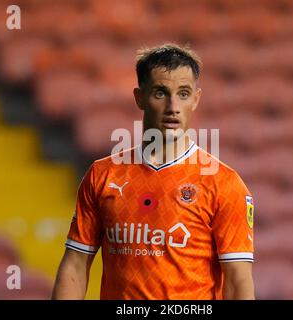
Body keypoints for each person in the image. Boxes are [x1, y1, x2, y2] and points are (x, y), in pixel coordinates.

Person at [52, 43, 255, 300]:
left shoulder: (224, 183)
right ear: (139, 97)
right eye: (161, 93)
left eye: (183, 93)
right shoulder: (102, 175)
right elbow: (75, 265)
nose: (173, 106)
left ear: (196, 99)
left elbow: (238, 280)